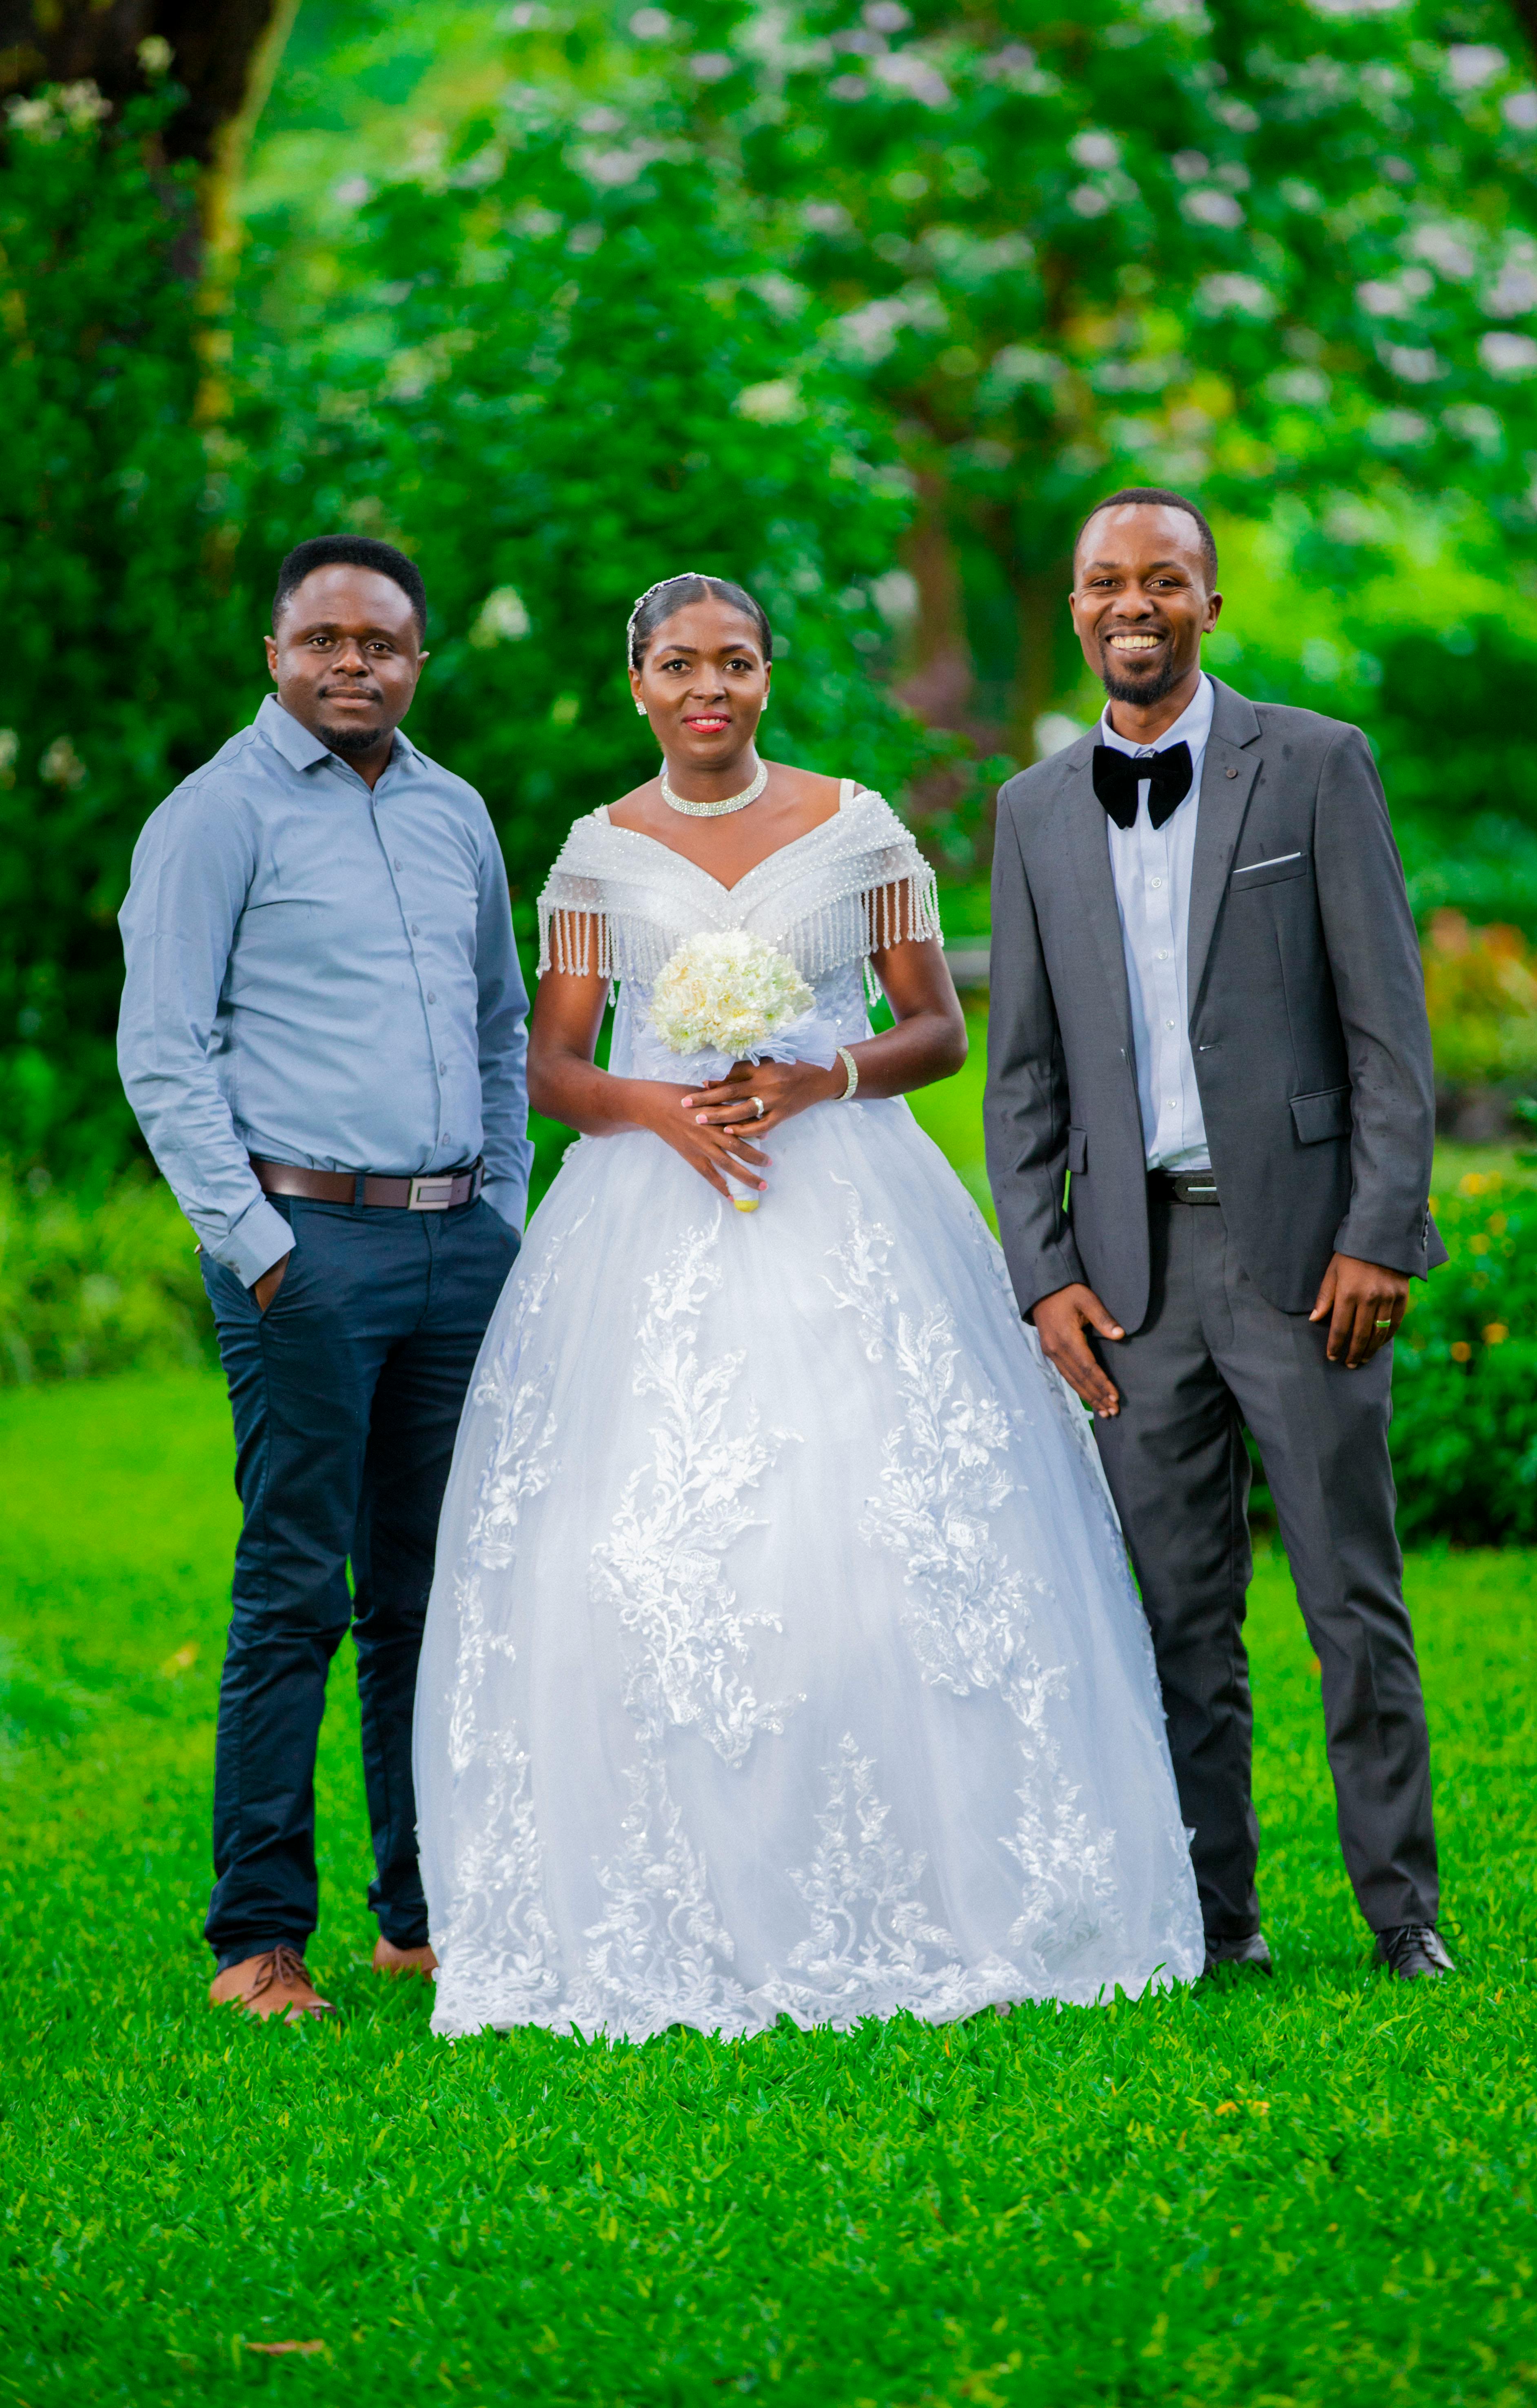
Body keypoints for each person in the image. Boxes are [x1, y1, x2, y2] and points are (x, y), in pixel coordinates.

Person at [413, 572, 1203, 2039]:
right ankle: (680, 1896)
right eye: (676, 665)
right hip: (650, 1218)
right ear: (636, 683)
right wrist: (666, 1107)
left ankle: (929, 1883)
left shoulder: (859, 830)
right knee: (644, 1547)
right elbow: (557, 1073)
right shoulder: (595, 856)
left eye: (734, 663)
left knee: (888, 1537)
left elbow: (934, 1032)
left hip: (848, 1199)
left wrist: (812, 1075)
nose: (707, 688)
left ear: (768, 676)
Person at [985, 488, 1454, 1983]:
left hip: (1307, 1259)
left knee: (1348, 1599)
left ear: (1209, 603)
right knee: (1176, 1619)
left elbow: (1390, 1026)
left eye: (1165, 581)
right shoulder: (1033, 810)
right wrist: (1047, 1276)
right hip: (1130, 1279)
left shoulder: (1315, 765)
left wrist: (1380, 1231)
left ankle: (1402, 1916)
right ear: (1075, 609)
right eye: (1107, 583)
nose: (1135, 604)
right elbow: (1025, 1078)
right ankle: (1216, 1920)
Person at [118, 535, 530, 2023]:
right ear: (275, 654)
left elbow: (501, 1026)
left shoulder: (456, 815)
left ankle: (419, 1920)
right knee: (296, 1588)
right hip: (304, 1251)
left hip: (454, 1248)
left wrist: (502, 1206)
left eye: (383, 644)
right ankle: (256, 1940)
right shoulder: (213, 817)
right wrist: (261, 1245)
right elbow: (162, 1050)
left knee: (432, 1595)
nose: (354, 664)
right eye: (326, 641)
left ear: (420, 660)